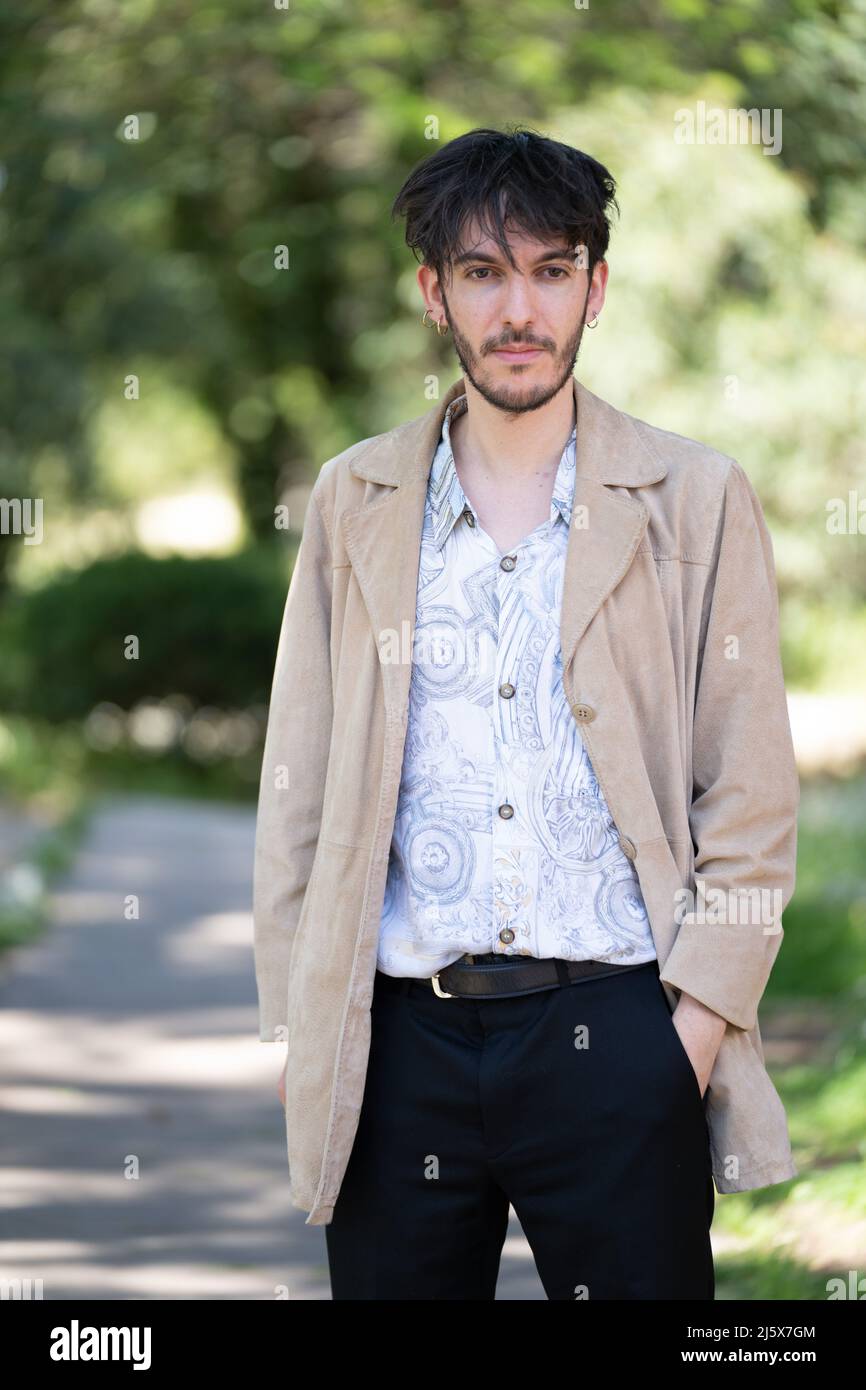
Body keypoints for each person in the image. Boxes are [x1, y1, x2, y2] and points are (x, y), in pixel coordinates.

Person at [254, 126, 800, 1300]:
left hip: (617, 1033)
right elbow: (294, 781)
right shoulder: (356, 499)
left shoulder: (691, 498)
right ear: (431, 292)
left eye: (551, 270)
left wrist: (691, 1037)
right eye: (481, 271)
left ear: (594, 289)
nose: (519, 308)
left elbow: (749, 793)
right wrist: (302, 1029)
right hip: (400, 1044)